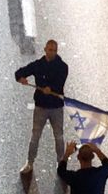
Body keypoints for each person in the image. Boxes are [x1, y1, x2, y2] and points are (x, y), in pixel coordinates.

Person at [14, 41, 69, 176]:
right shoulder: (38, 65)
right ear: (45, 49)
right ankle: (30, 162)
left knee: (59, 137)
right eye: (50, 50)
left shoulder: (63, 67)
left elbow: (59, 83)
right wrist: (21, 78)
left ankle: (60, 163)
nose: (52, 52)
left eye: (54, 50)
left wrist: (50, 89)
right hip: (41, 107)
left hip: (56, 107)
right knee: (35, 136)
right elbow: (19, 72)